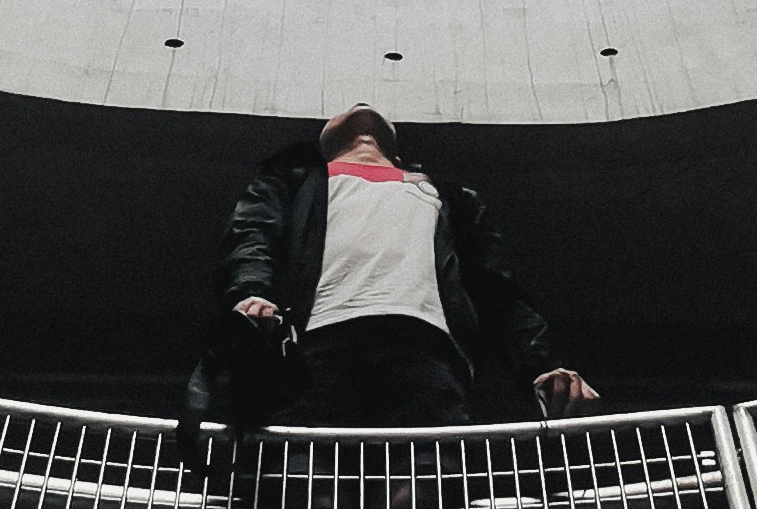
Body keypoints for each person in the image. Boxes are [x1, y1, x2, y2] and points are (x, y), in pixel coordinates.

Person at [190, 103, 598, 466]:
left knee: (423, 487)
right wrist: (250, 295)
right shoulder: (295, 182)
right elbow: (253, 234)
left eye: (374, 123)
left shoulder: (447, 196)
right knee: (311, 489)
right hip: (314, 347)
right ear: (324, 145)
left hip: (424, 348)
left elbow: (496, 288)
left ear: (398, 150)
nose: (362, 113)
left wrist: (540, 365)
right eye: (348, 120)